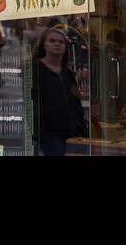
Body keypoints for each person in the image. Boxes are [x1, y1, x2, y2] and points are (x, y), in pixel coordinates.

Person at [31, 24, 88, 156]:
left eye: (61, 42)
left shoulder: (67, 73)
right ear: (44, 45)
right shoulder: (36, 69)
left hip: (70, 135)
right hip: (48, 137)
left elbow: (76, 103)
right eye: (52, 41)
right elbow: (33, 104)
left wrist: (82, 131)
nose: (57, 44)